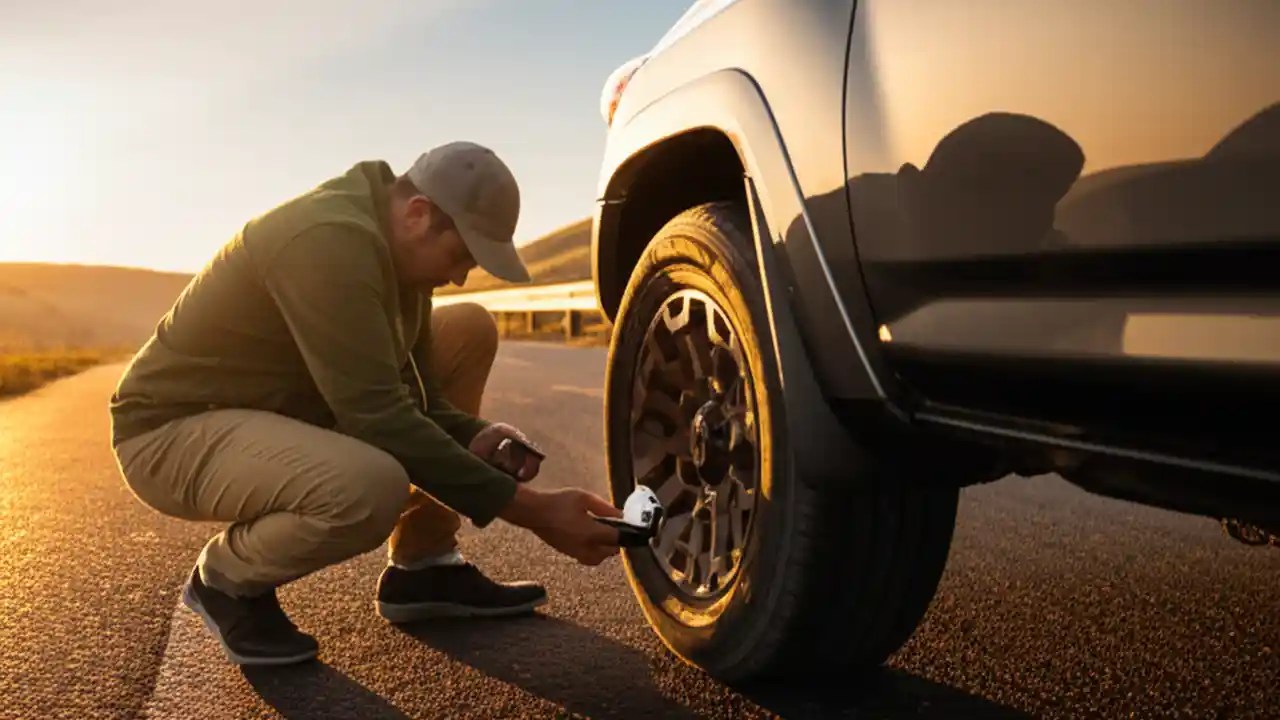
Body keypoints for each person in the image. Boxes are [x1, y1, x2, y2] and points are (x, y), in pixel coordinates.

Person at [108, 141, 623, 666]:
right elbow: (379, 418)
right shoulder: (326, 242)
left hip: (284, 407)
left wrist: (473, 436)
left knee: (468, 326)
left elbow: (417, 398)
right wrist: (538, 513)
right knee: (370, 485)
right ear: (419, 215)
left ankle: (427, 566)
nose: (460, 276)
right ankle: (226, 579)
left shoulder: (400, 261)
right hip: (171, 433)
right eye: (460, 256)